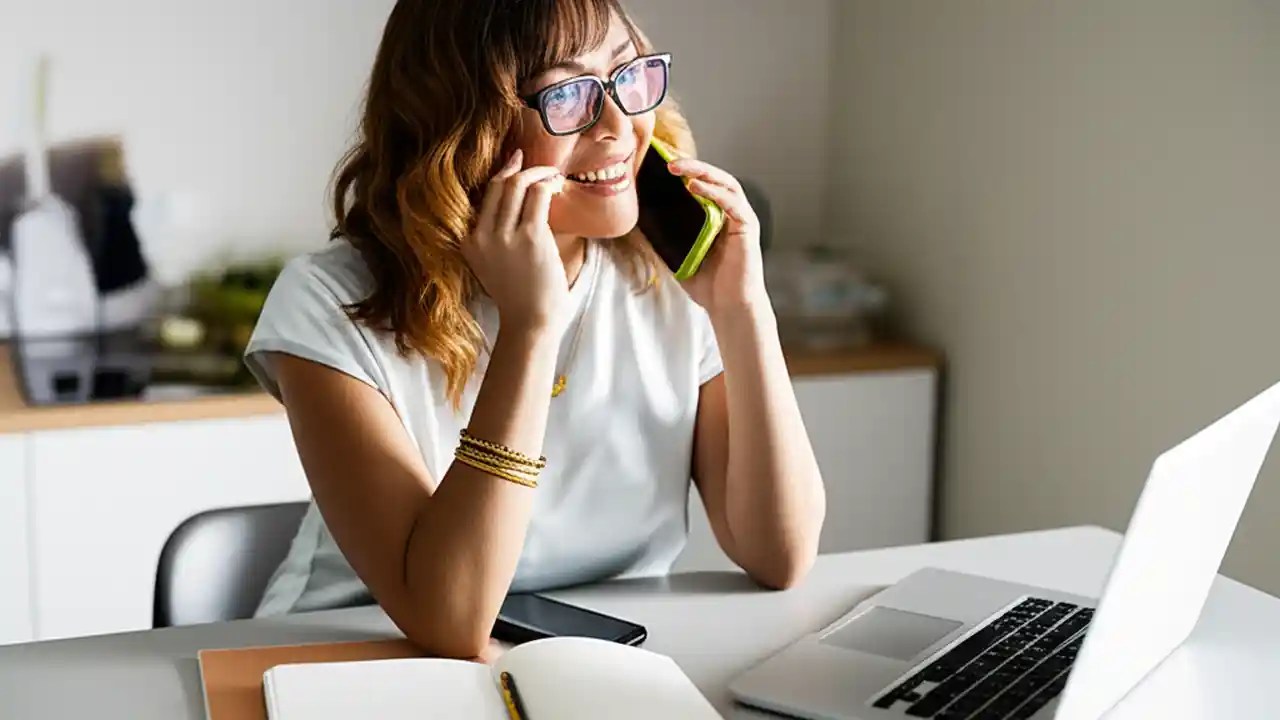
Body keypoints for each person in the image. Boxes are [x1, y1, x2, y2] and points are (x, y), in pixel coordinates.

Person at [244, 0, 826, 660]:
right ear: (464, 126)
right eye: (568, 94)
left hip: (597, 656)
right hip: (352, 654)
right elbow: (449, 621)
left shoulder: (667, 274)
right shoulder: (330, 304)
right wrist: (531, 328)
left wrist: (743, 310)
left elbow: (779, 555)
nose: (618, 126)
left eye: (627, 75)